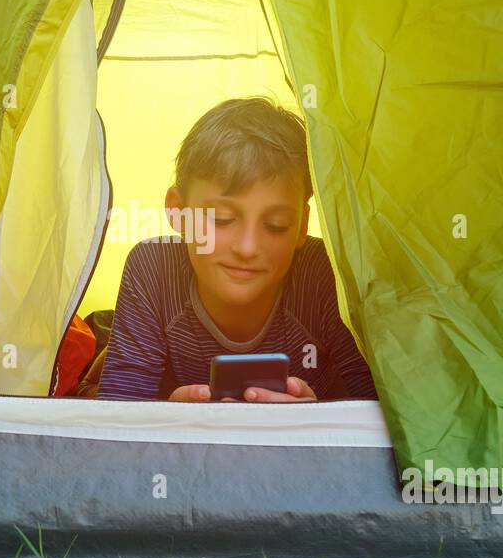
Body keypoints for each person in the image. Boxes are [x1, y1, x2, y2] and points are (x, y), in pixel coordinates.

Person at [96, 97, 379, 402]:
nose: (247, 247)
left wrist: (314, 419)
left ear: (301, 226)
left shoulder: (323, 273)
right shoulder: (153, 270)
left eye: (276, 224)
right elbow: (120, 413)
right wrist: (174, 422)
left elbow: (382, 414)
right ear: (178, 212)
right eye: (222, 219)